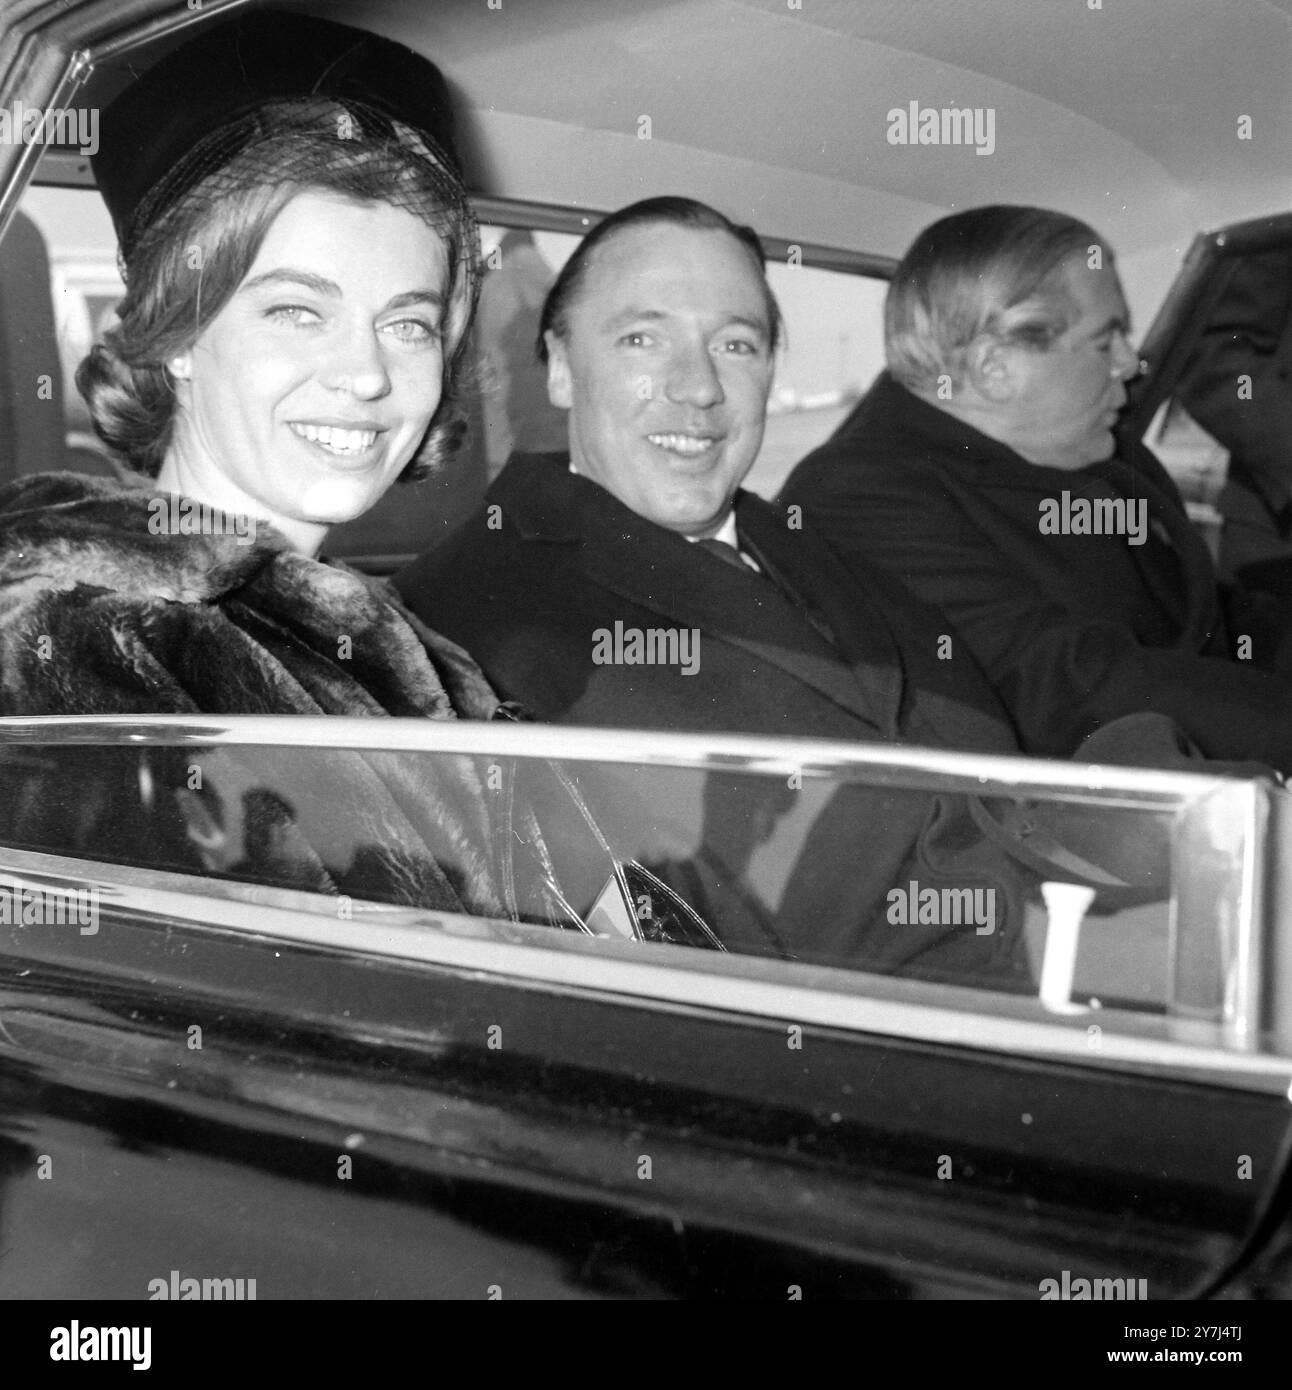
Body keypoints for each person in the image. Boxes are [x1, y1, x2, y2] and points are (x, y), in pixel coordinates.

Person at [396, 196, 1087, 989]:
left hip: (1038, 959)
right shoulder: (459, 620)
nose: (697, 388)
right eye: (641, 338)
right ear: (558, 366)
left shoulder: (806, 544)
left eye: (736, 344)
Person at [0, 11, 574, 927]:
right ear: (179, 334)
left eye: (408, 323)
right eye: (297, 311)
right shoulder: (83, 648)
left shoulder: (404, 650)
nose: (368, 374)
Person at [780, 205, 1292, 771]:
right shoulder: (858, 499)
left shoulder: (1092, 447)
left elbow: (1209, 621)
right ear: (996, 367)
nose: (1131, 363)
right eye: (1106, 340)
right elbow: (1067, 688)